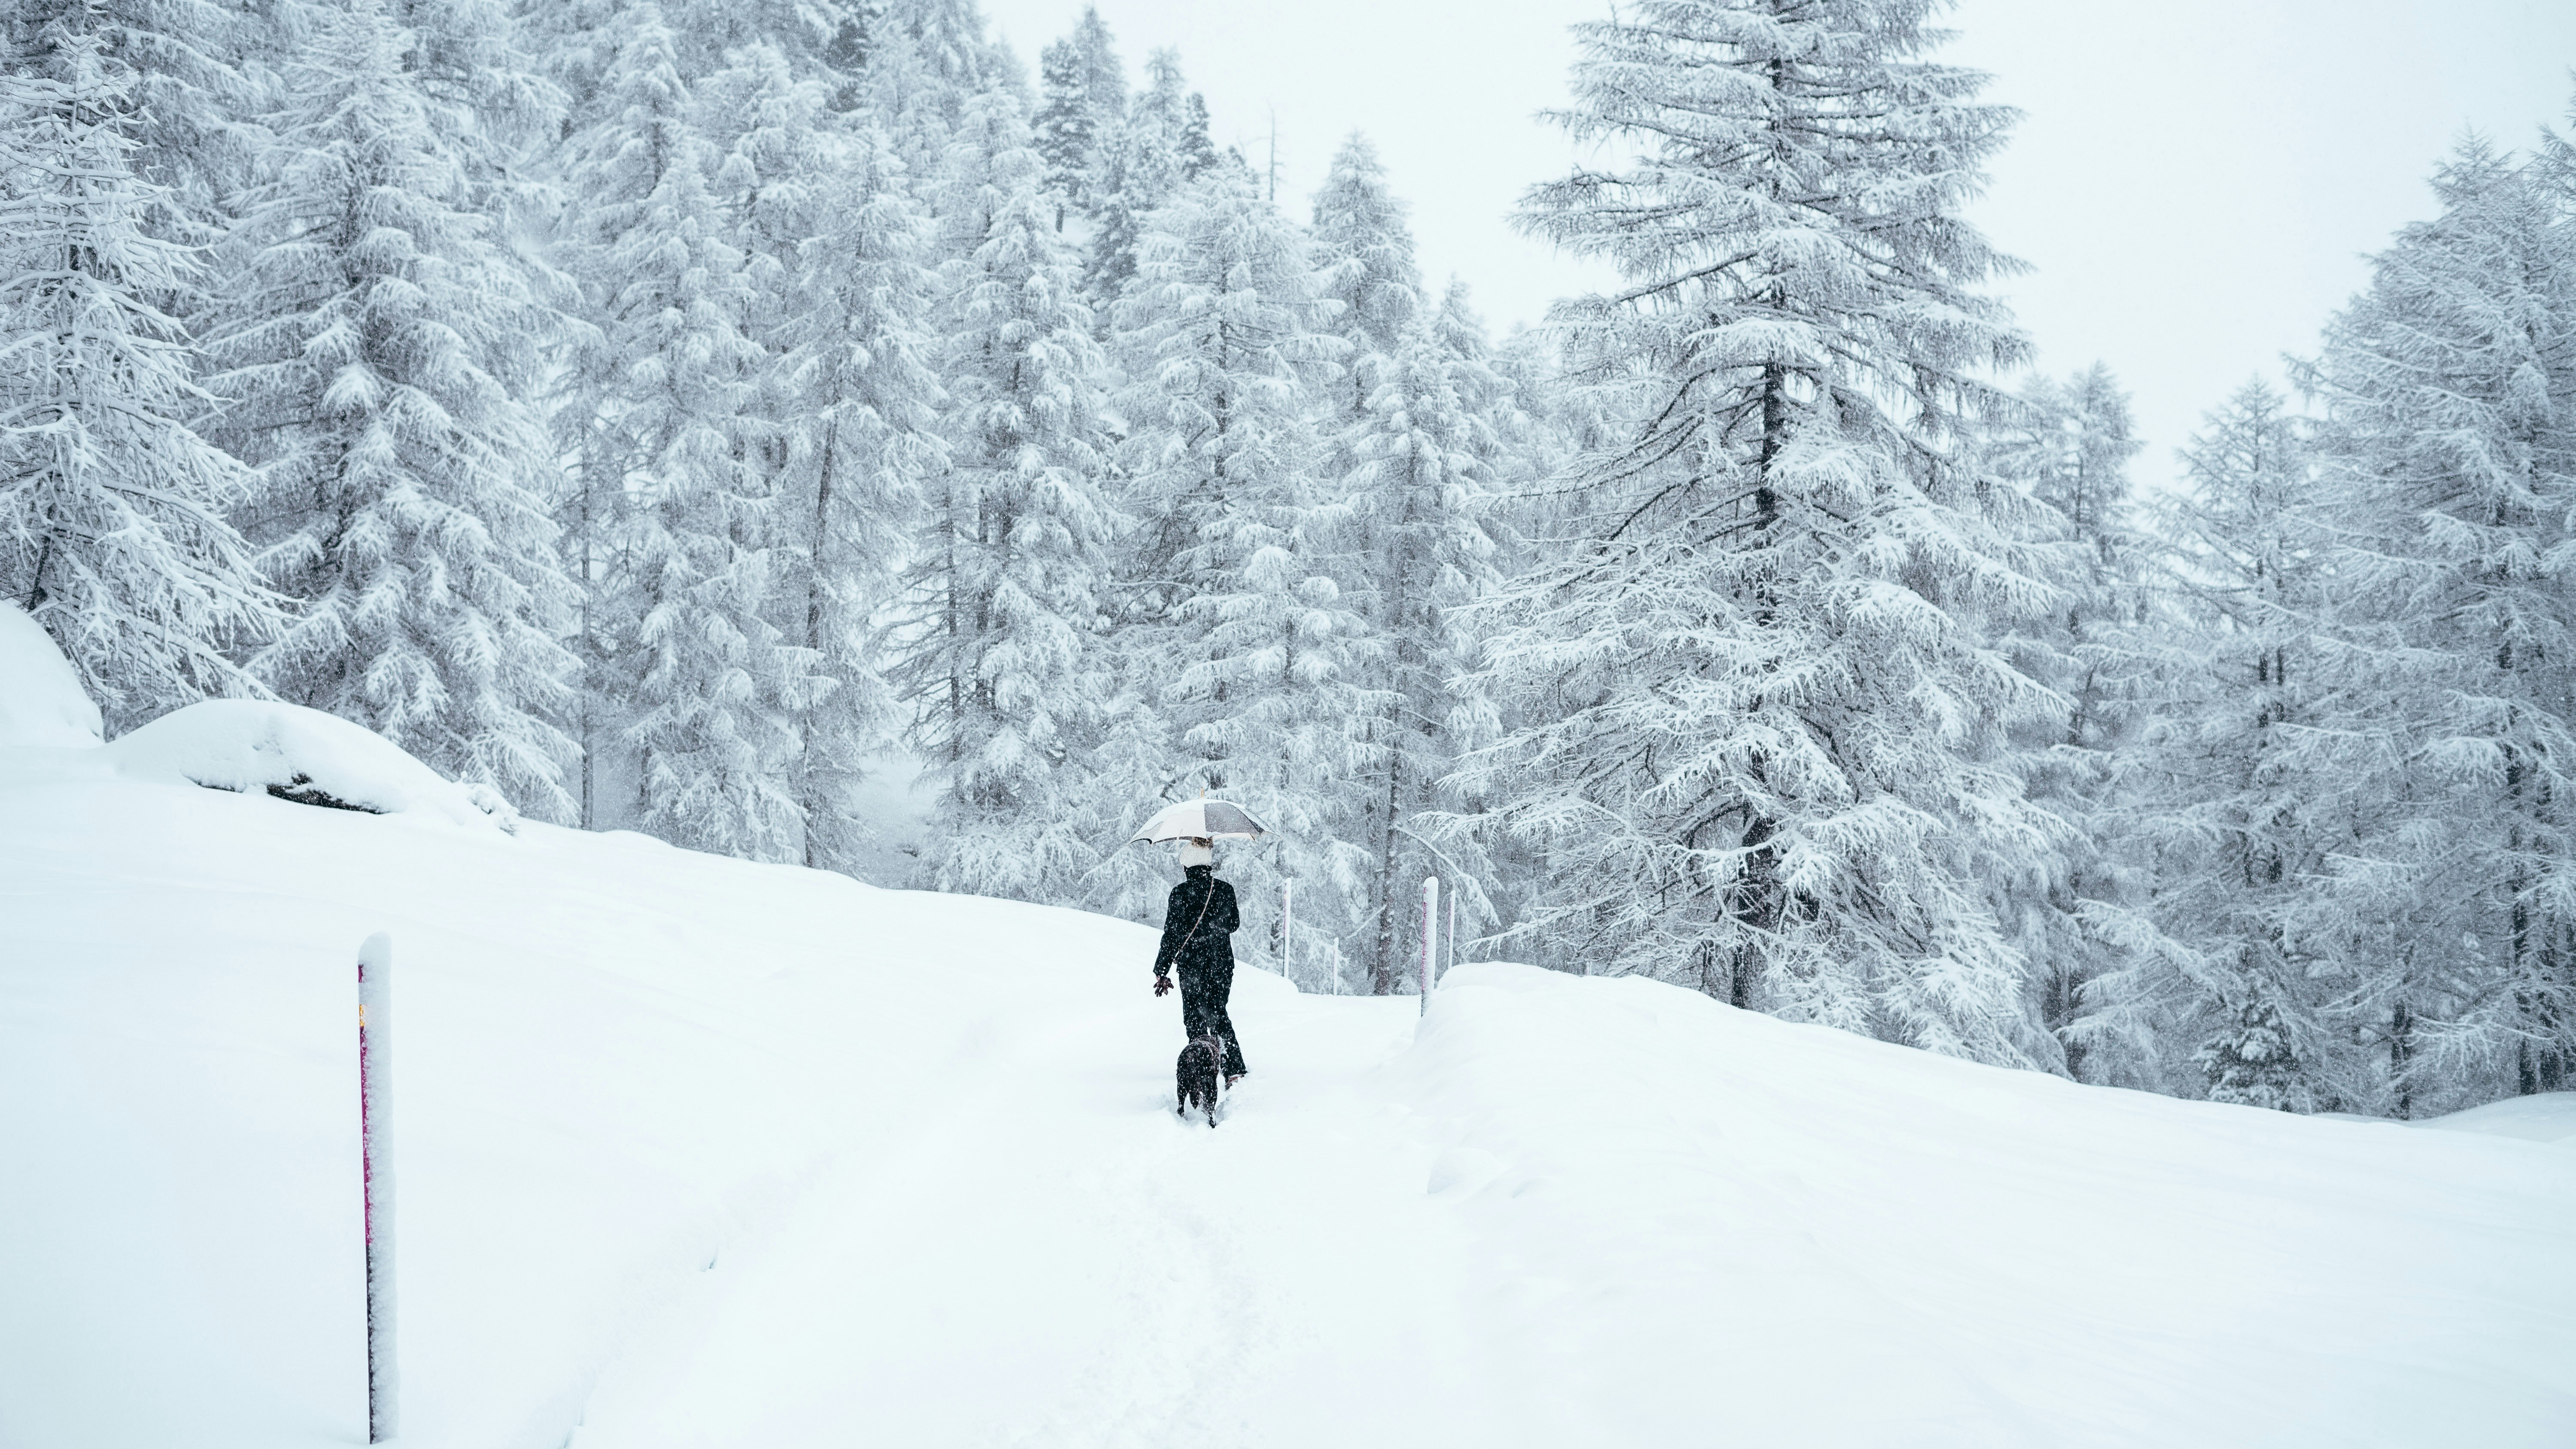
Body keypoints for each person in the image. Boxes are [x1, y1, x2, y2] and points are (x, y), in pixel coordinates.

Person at [1152, 838, 1246, 1082]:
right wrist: (1213, 926)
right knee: (1217, 1012)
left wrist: (1162, 971)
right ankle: (1232, 1068)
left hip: (1192, 966)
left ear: (1187, 868)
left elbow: (1171, 936)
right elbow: (1234, 925)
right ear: (1208, 865)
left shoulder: (1180, 894)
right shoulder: (1225, 890)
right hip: (1221, 965)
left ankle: (1202, 1064)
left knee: (1194, 1016)